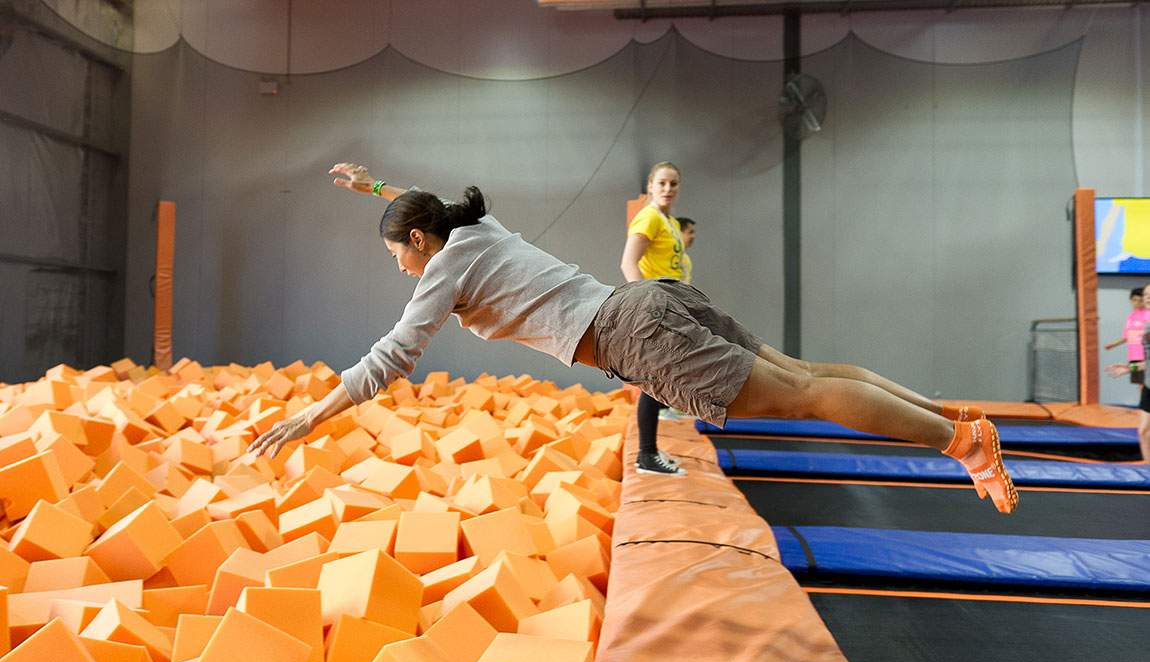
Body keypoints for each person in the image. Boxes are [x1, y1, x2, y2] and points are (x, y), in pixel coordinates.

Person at [248, 163, 1018, 514]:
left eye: (398, 255)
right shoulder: (476, 227)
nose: (403, 270)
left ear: (420, 241)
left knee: (807, 397)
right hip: (645, 298)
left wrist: (308, 416)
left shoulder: (443, 267)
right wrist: (372, 189)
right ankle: (954, 422)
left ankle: (962, 448)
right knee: (811, 372)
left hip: (629, 337)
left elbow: (392, 356)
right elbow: (434, 203)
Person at [619, 163, 691, 475]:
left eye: (673, 183)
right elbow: (628, 262)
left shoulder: (670, 221)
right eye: (662, 183)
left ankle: (651, 450)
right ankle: (646, 455)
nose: (667, 189)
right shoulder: (649, 216)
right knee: (654, 379)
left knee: (663, 376)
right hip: (656, 306)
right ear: (651, 185)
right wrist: (645, 301)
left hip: (672, 303)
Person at [1104, 287, 1149, 386]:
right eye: (1134, 300)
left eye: (1140, 300)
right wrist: (1113, 344)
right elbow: (1127, 336)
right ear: (1130, 300)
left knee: (1146, 380)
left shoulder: (1147, 315)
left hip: (1144, 353)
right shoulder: (1131, 316)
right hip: (1134, 354)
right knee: (1139, 381)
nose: (1137, 303)